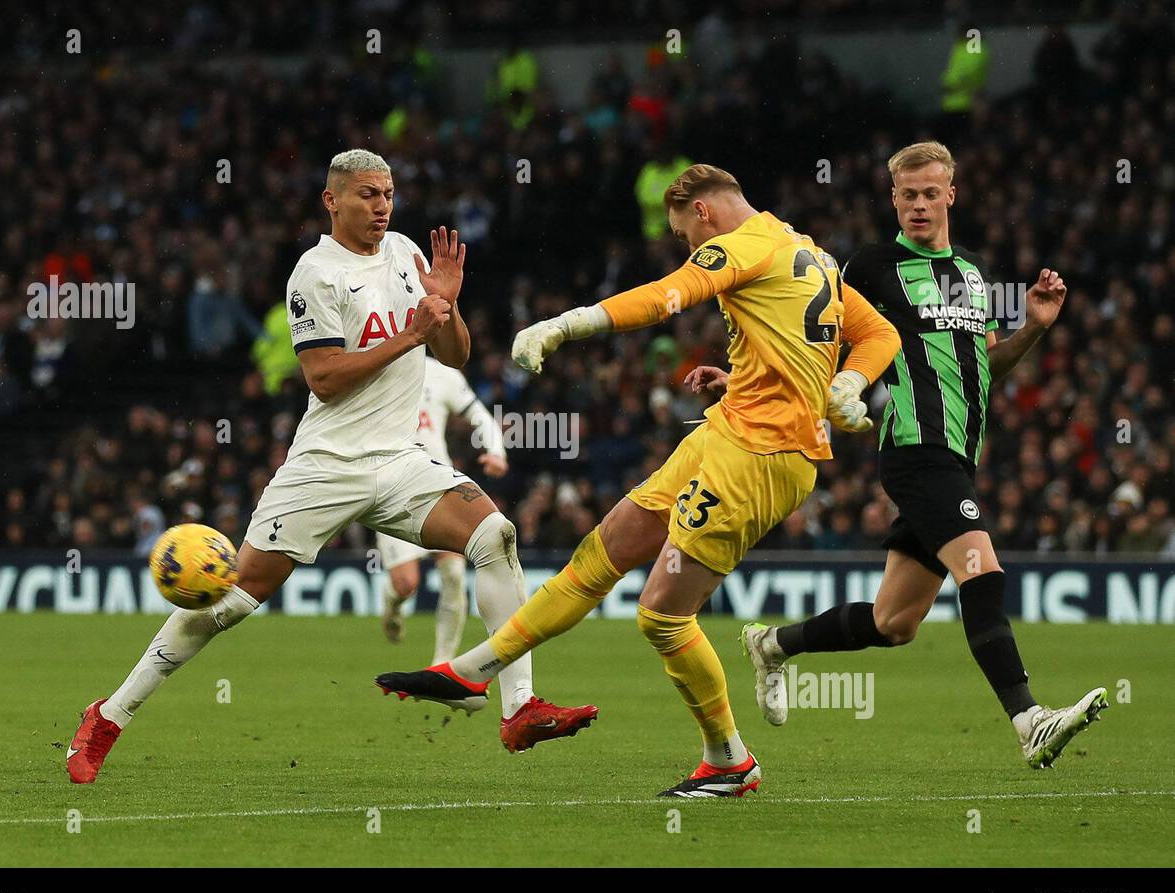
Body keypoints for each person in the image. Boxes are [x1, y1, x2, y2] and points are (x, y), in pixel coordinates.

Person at [66, 149, 596, 784]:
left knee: (495, 534)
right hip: (325, 465)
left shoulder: (406, 254)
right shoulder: (313, 274)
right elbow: (324, 379)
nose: (381, 207)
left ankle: (518, 708)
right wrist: (410, 332)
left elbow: (453, 354)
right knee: (232, 603)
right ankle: (110, 714)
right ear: (332, 200)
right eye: (368, 195)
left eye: (389, 195)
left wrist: (446, 308)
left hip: (402, 461)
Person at [377, 164, 900, 797]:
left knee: (661, 616)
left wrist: (566, 324)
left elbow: (664, 297)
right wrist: (844, 380)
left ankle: (728, 761)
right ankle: (473, 671)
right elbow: (879, 333)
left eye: (683, 234)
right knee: (605, 547)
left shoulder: (737, 246)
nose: (686, 246)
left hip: (760, 458)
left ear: (702, 213)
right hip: (726, 432)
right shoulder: (806, 252)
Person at [740, 141, 1106, 769]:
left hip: (959, 456)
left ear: (950, 195)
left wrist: (1035, 329)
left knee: (895, 623)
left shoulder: (974, 271)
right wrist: (745, 382)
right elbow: (816, 342)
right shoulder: (872, 268)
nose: (917, 205)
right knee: (982, 571)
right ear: (893, 199)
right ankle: (1029, 721)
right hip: (913, 447)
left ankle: (773, 643)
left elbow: (982, 366)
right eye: (907, 195)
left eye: (929, 193)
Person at [377, 354, 508, 672]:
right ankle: (392, 603)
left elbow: (480, 415)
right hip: (389, 485)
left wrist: (496, 452)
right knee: (406, 583)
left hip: (436, 481)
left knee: (453, 573)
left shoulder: (442, 375)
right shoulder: (377, 364)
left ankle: (441, 664)